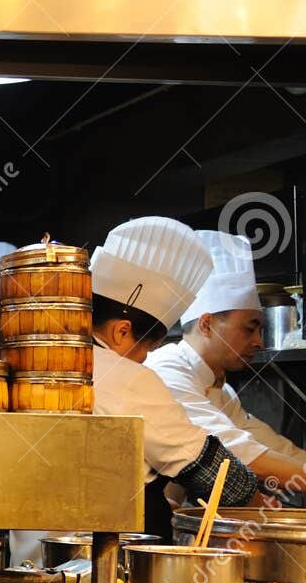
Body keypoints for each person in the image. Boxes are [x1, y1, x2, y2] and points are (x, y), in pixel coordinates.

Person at [89, 217, 260, 538]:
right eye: (146, 348)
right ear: (121, 331)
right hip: (112, 561)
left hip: (43, 552)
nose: (145, 359)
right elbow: (206, 468)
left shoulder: (61, 360)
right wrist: (263, 507)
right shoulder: (126, 375)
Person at [146, 230, 306, 500]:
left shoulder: (221, 391)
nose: (258, 342)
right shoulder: (167, 371)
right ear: (207, 324)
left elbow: (264, 444)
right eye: (249, 329)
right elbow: (233, 452)